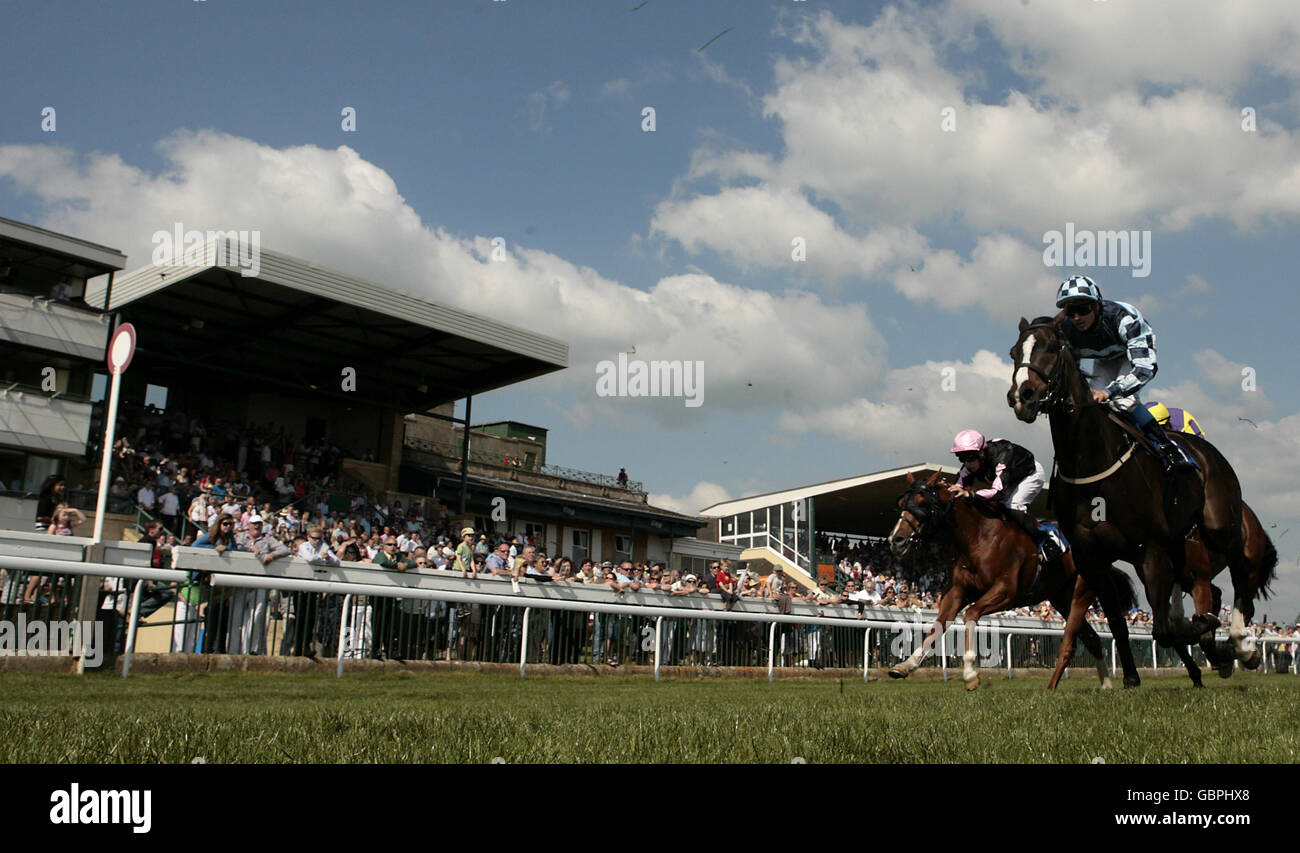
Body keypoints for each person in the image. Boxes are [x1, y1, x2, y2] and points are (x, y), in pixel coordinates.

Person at [1054, 274, 1195, 471]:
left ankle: (1169, 448)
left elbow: (1144, 370)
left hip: (1133, 355)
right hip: (1103, 358)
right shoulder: (1067, 330)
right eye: (1071, 311)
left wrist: (1109, 391)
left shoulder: (1125, 320)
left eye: (1083, 309)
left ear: (1096, 306)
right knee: (1090, 403)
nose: (1077, 318)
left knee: (1123, 401)